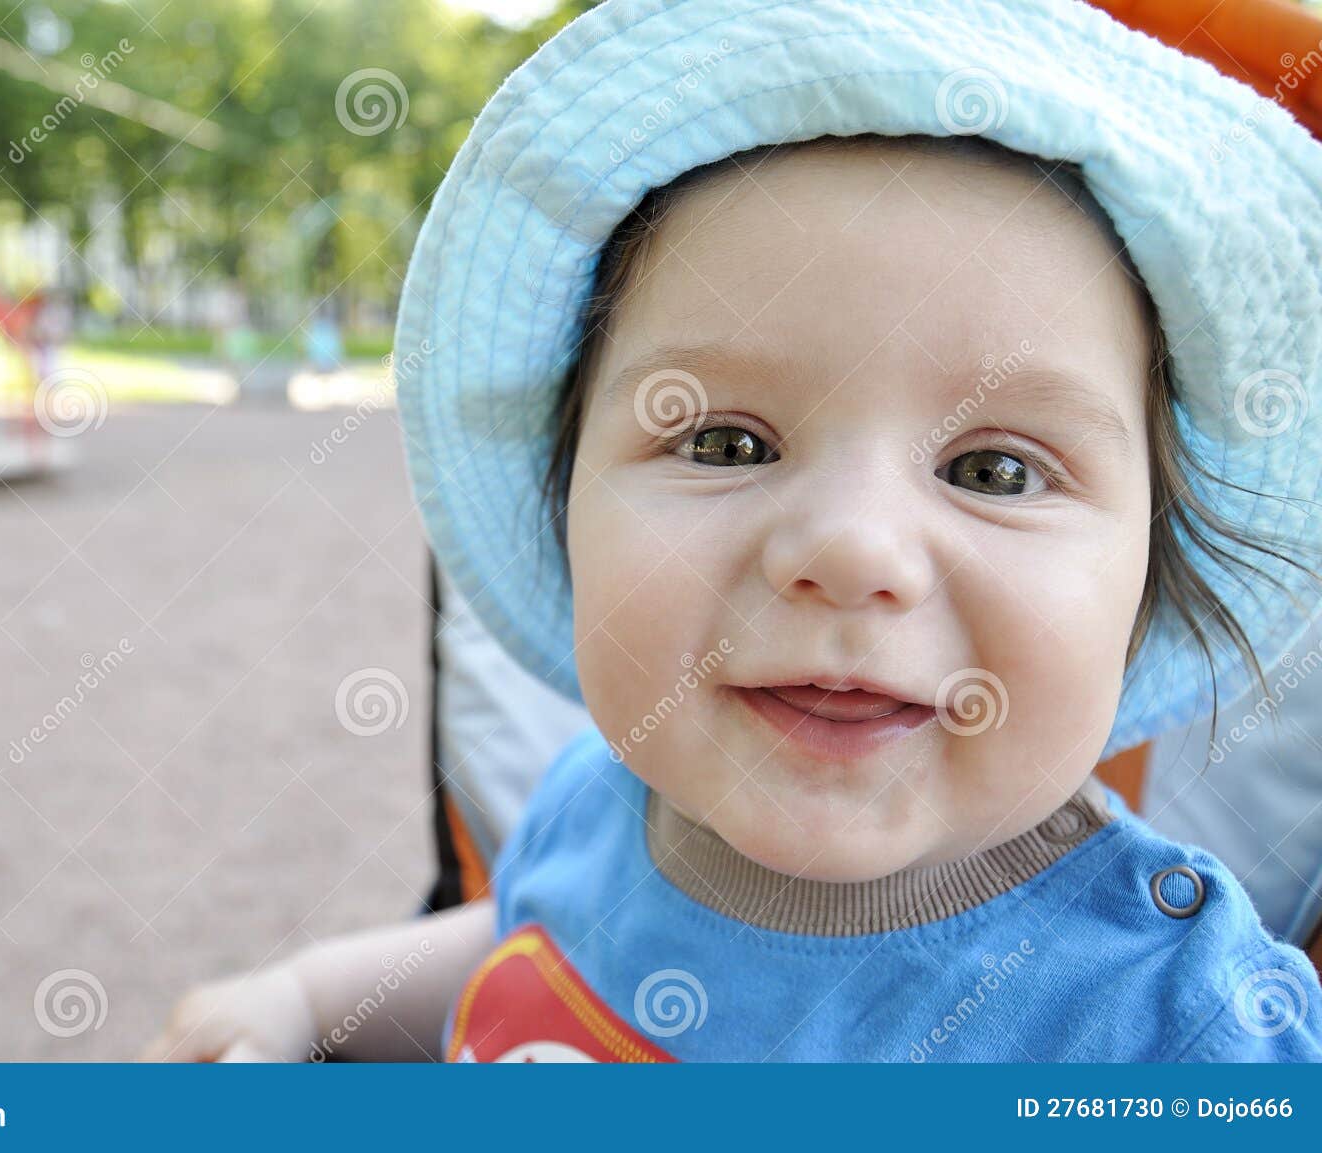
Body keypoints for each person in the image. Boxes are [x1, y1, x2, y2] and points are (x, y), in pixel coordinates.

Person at [145, 0, 1322, 1061]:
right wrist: (303, 998)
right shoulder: (600, 797)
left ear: (1147, 578)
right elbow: (531, 932)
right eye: (723, 444)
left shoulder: (1173, 1034)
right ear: (567, 505)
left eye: (993, 470)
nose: (852, 550)